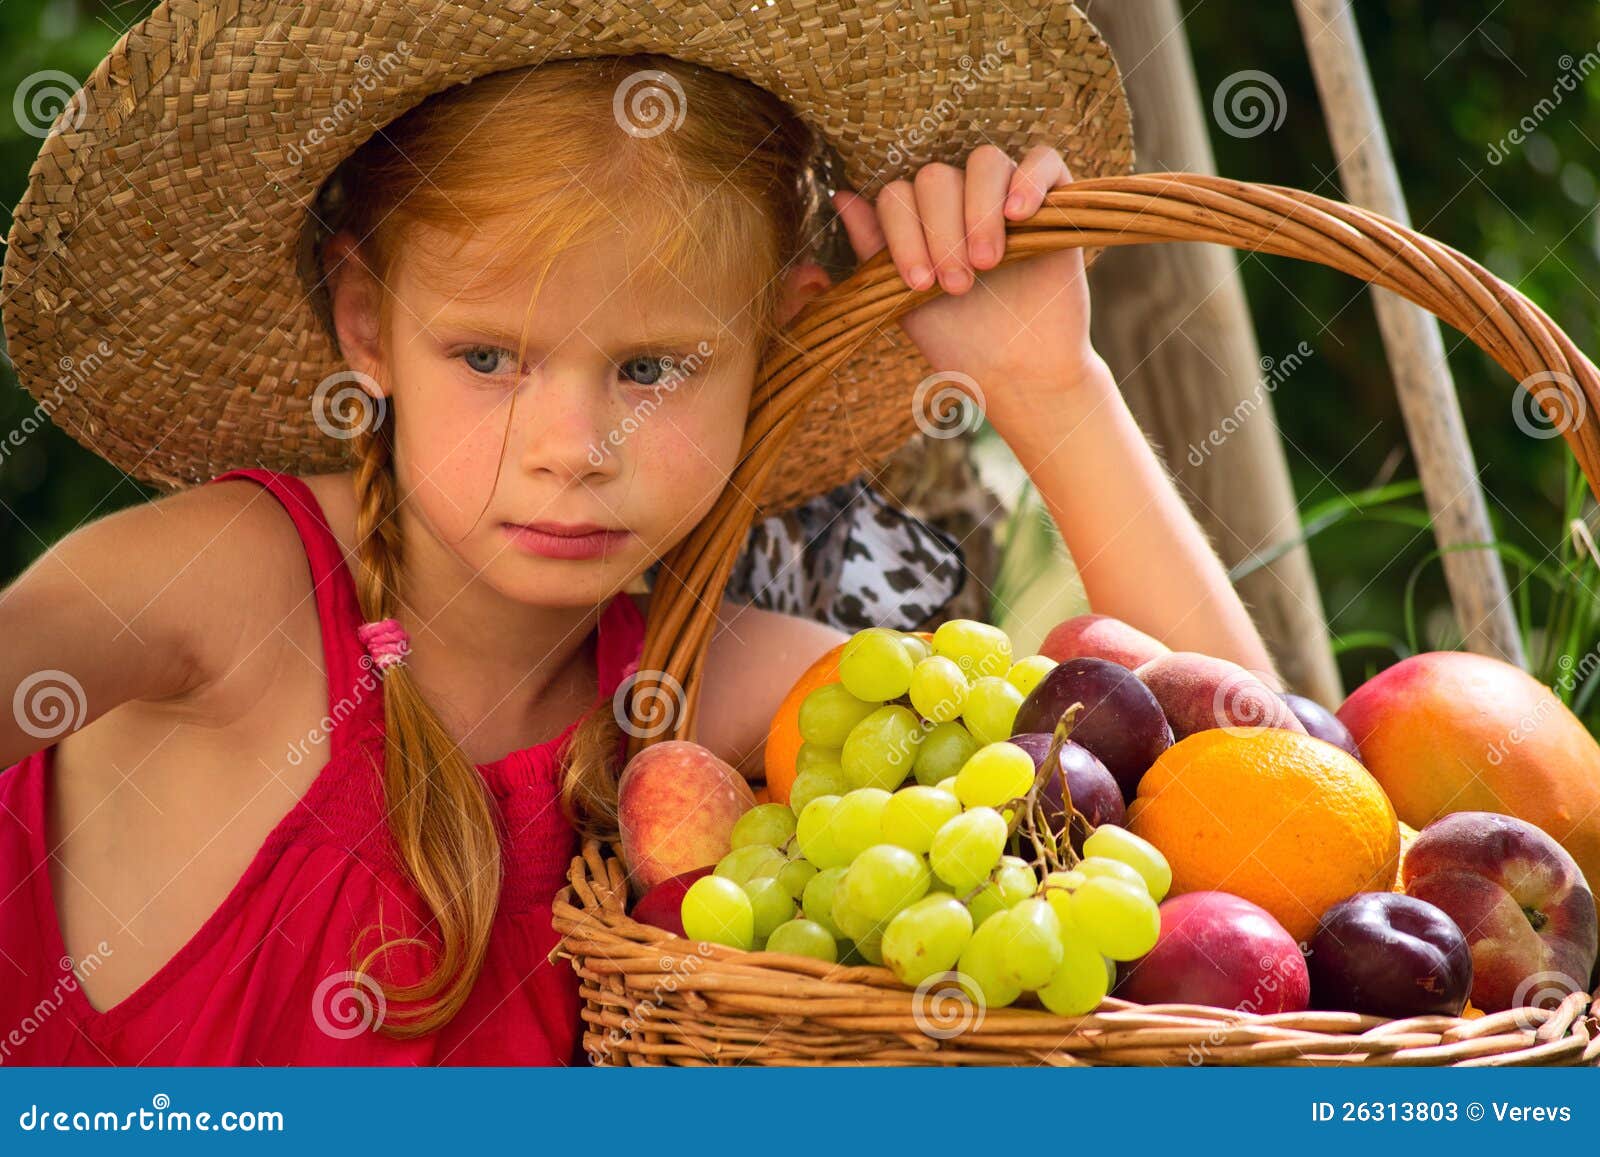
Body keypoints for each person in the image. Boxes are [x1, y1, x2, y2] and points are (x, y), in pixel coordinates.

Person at [0, 1, 1276, 1065]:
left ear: (771, 346)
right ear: (365, 325)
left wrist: (1050, 389)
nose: (572, 446)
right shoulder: (222, 588)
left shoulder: (708, 683)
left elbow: (1259, 811)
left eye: (653, 366)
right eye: (488, 355)